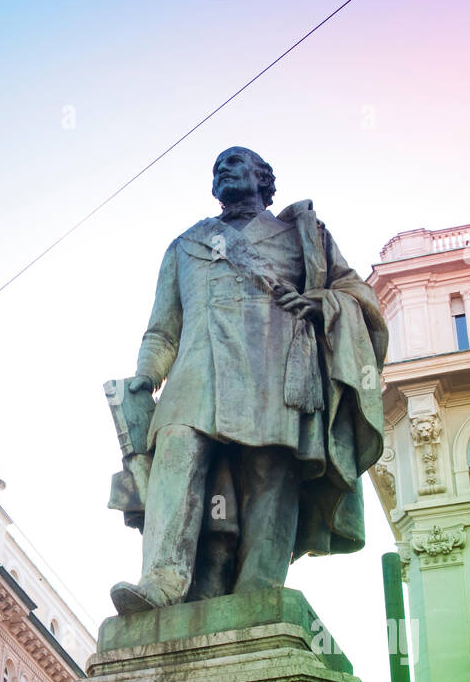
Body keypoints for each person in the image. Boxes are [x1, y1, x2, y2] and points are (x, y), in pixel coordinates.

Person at [109, 146, 388, 614]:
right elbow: (163, 327)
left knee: (270, 472)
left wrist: (324, 305)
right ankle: (161, 579)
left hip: (276, 366)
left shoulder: (304, 236)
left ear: (263, 178)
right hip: (198, 371)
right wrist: (145, 376)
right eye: (217, 166)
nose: (223, 169)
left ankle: (259, 592)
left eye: (235, 162)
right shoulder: (185, 245)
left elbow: (355, 294)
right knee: (176, 451)